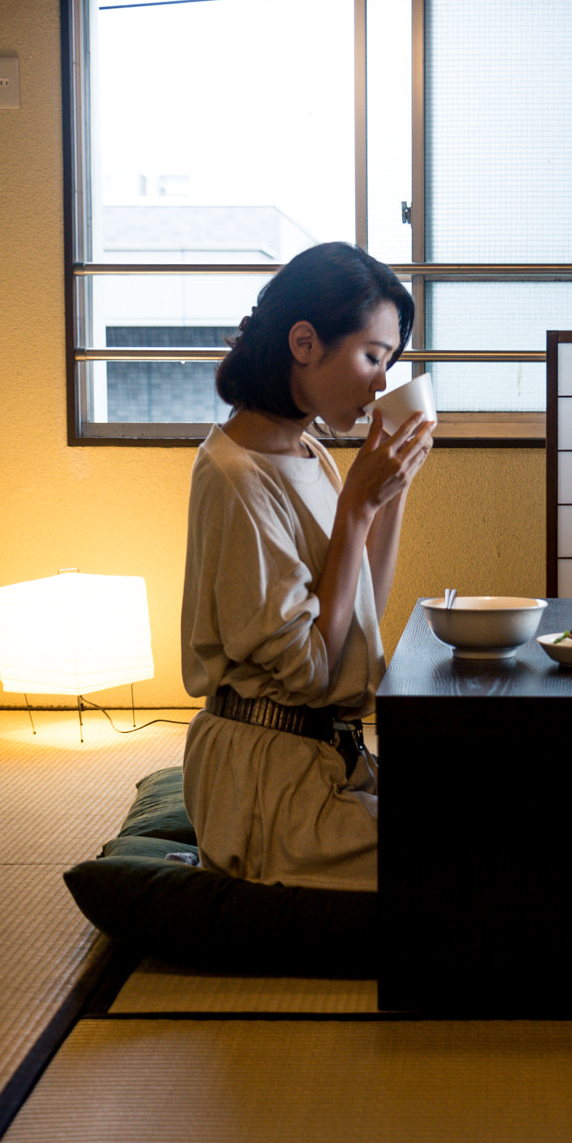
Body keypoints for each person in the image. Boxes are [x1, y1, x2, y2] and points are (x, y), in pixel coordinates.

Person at [178, 242, 434, 892]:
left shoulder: (311, 452)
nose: (384, 383)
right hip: (267, 787)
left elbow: (361, 610)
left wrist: (390, 489)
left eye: (393, 363)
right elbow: (314, 673)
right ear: (304, 342)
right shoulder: (234, 475)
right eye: (374, 356)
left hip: (324, 760)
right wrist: (354, 509)